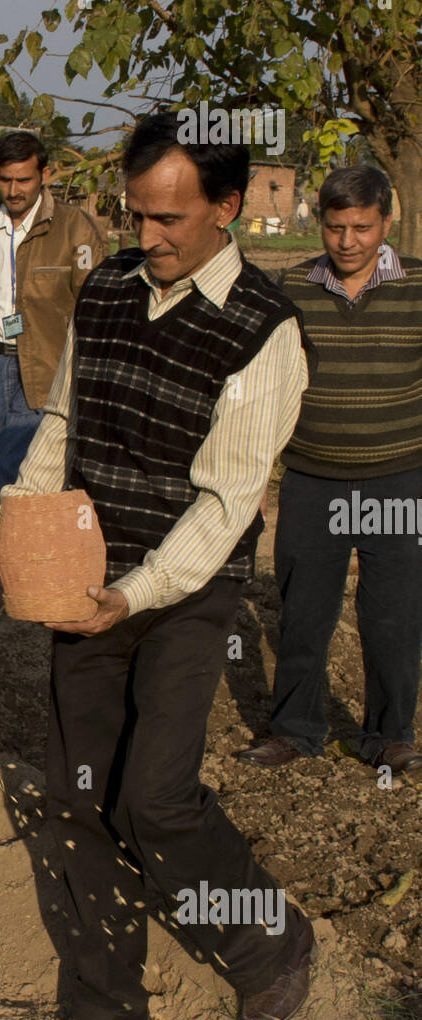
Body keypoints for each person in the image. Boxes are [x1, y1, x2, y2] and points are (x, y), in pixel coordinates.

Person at [0, 111, 318, 1020]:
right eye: (137, 216)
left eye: (169, 220)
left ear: (228, 208)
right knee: (77, 793)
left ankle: (267, 941)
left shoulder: (263, 331)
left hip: (184, 595)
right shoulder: (111, 287)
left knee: (153, 799)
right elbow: (60, 426)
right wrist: (5, 526)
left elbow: (229, 502)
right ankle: (104, 996)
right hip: (84, 579)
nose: (148, 238)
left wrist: (135, 592)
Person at [238, 166, 422, 779]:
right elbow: (263, 384)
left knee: (392, 614)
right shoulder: (291, 288)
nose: (347, 242)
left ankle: (390, 736)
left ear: (386, 223)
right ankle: (295, 729)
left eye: (362, 228)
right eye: (336, 227)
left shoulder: (419, 288)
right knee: (305, 609)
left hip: (398, 478)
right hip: (313, 479)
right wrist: (257, 479)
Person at [0, 131, 106, 533]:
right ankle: (9, 570)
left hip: (48, 366)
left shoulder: (73, 229)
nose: (13, 190)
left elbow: (96, 306)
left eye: (24, 180)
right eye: (5, 180)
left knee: (16, 469)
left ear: (44, 174)